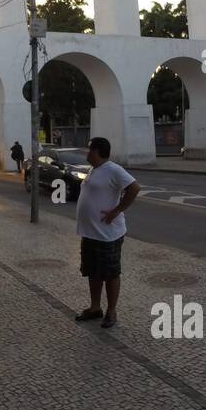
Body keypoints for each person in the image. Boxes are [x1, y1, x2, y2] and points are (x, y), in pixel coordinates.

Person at [73, 137, 142, 330]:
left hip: (108, 234)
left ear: (97, 151)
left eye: (89, 150)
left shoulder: (114, 169)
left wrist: (117, 210)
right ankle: (95, 308)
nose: (86, 153)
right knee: (93, 272)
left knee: (110, 273)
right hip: (90, 233)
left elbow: (135, 188)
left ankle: (111, 311)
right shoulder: (94, 169)